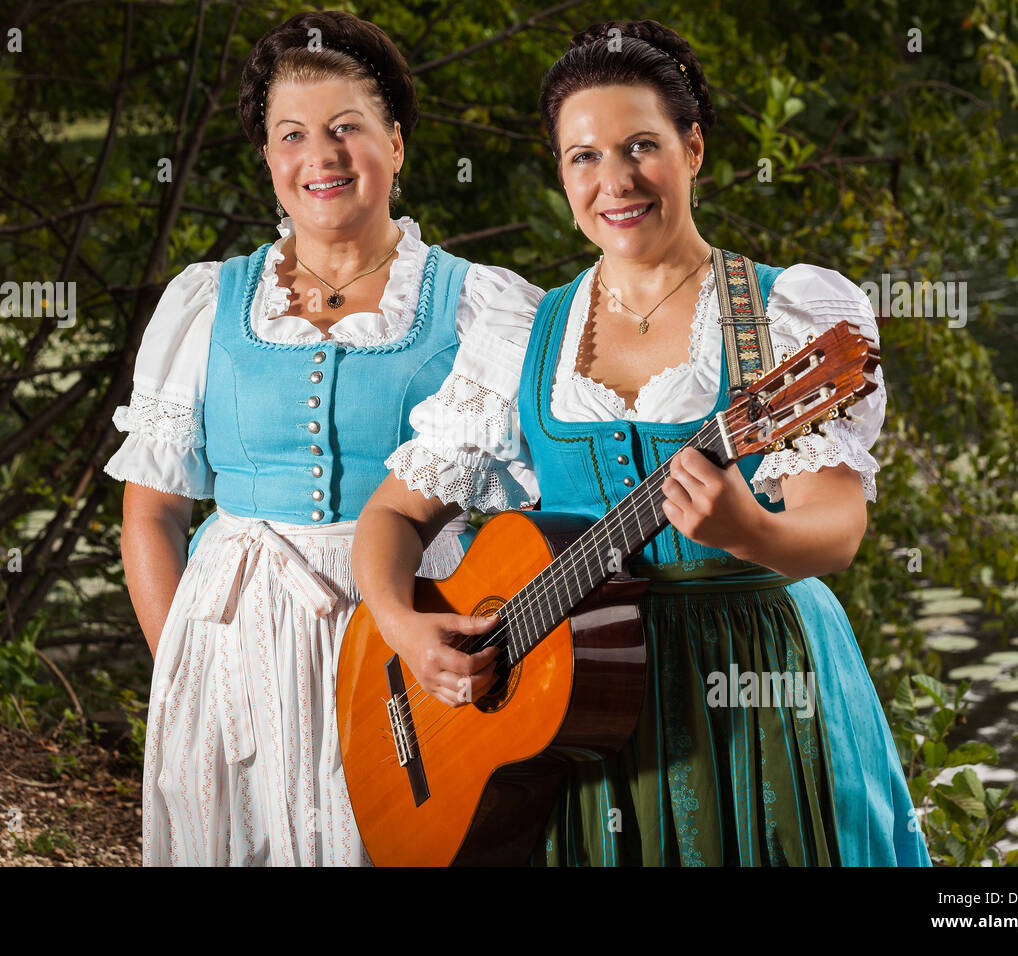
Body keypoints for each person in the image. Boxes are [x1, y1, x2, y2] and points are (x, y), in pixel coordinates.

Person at [352, 19, 932, 866]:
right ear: (560, 174)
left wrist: (749, 530)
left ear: (692, 149)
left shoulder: (789, 315)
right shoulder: (522, 333)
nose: (614, 180)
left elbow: (837, 529)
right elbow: (392, 517)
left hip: (757, 686)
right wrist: (404, 627)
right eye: (583, 156)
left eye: (641, 147)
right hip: (574, 709)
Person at [103, 10, 542, 866]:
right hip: (229, 641)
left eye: (348, 128)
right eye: (292, 134)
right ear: (268, 158)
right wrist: (186, 670)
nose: (322, 156)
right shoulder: (205, 303)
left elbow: (537, 502)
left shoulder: (479, 307)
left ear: (398, 144)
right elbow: (151, 515)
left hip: (408, 633)